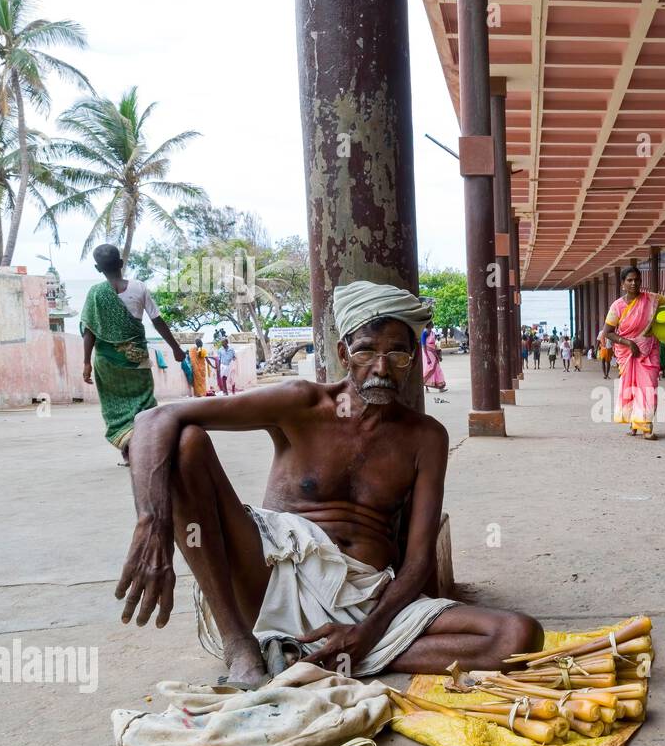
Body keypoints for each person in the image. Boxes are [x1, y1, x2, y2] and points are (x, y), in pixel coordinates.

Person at [112, 280, 543, 689]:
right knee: (186, 445)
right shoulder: (300, 402)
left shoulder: (425, 437)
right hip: (269, 577)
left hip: (364, 596)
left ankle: (321, 652)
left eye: (397, 354)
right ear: (342, 352)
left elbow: (415, 563)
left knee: (516, 635)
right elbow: (154, 418)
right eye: (366, 351)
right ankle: (240, 644)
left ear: (415, 358)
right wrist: (152, 525)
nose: (381, 368)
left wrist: (367, 632)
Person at [80, 244, 187, 465]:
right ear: (120, 263)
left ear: (97, 268)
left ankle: (129, 451)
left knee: (115, 405)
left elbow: (89, 330)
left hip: (106, 359)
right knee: (144, 402)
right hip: (136, 355)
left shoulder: (95, 293)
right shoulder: (139, 287)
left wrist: (86, 362)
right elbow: (157, 321)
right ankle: (148, 446)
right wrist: (176, 348)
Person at [601, 265, 665, 440]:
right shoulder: (617, 306)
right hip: (628, 353)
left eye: (637, 279)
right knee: (632, 389)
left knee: (649, 387)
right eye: (629, 280)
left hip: (649, 350)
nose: (634, 283)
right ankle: (636, 423)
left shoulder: (652, 299)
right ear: (623, 284)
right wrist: (628, 342)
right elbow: (608, 332)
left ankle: (646, 426)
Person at [422, 325, 447, 391]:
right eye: (430, 326)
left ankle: (440, 387)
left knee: (437, 369)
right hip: (428, 353)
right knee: (429, 369)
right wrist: (427, 357)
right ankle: (426, 386)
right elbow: (423, 346)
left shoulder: (432, 333)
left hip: (433, 353)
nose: (431, 327)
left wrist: (438, 355)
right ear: (427, 326)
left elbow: (435, 345)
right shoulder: (424, 333)